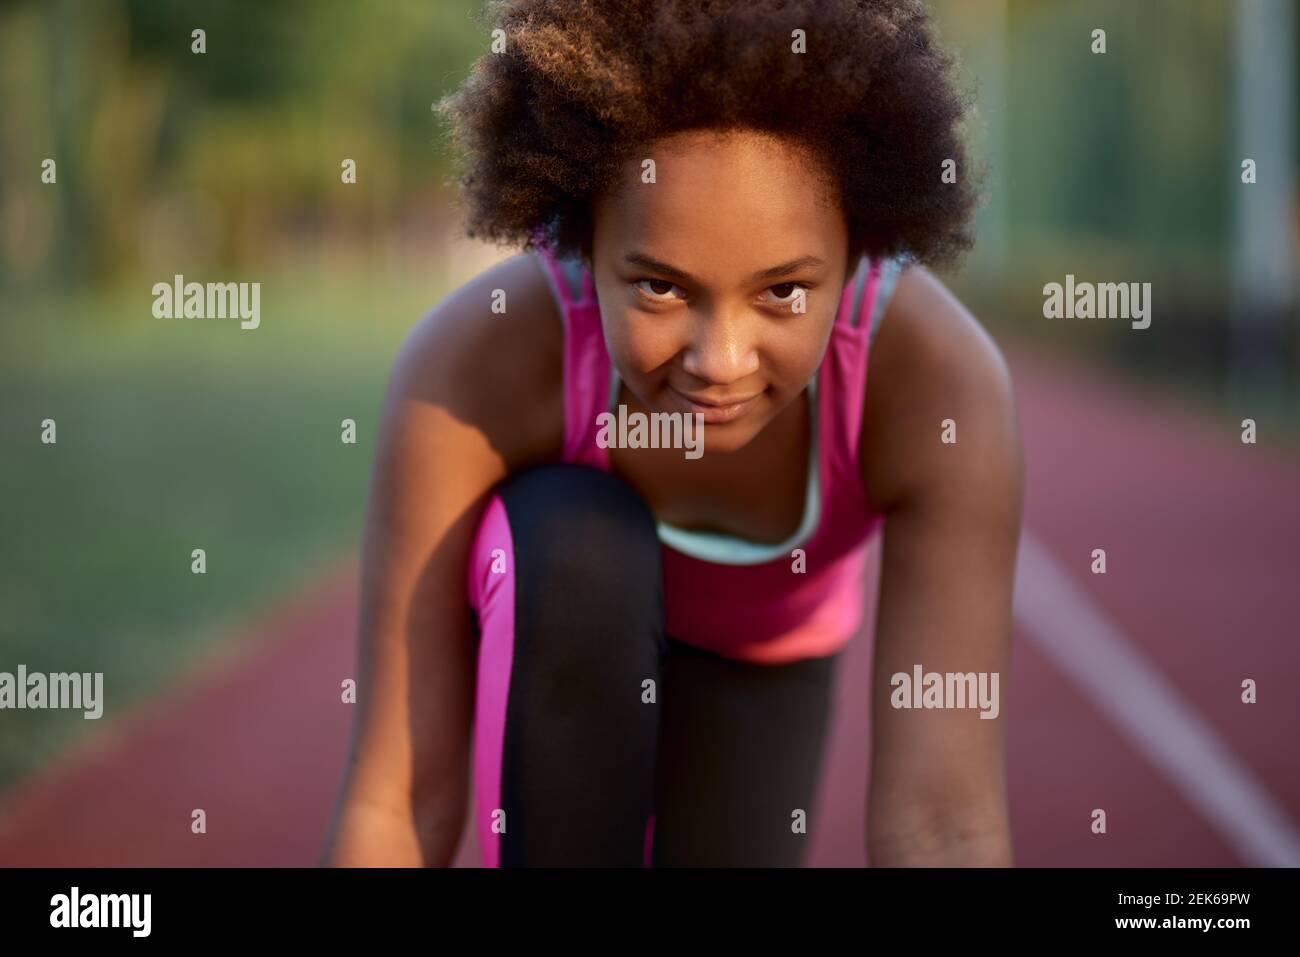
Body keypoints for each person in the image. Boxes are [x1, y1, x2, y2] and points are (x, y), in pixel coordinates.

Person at [322, 0, 1023, 867]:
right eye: (660, 287)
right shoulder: (479, 366)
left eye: (784, 292)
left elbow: (941, 825)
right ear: (578, 229)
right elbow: (397, 803)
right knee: (579, 542)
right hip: (565, 625)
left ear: (860, 250)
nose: (719, 361)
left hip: (766, 666)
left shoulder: (938, 388)